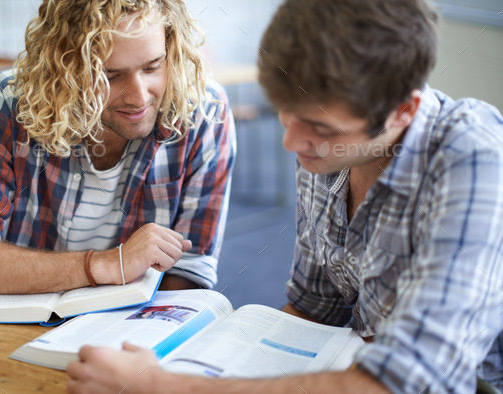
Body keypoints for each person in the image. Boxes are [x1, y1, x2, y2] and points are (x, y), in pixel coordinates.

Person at [65, 0, 503, 393]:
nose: (292, 143)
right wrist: (211, 361)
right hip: (363, 361)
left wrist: (166, 386)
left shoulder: (474, 154)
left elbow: (413, 381)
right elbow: (316, 308)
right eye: (287, 115)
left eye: (322, 128)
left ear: (403, 110)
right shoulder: (321, 147)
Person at [0, 0, 235, 295]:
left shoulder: (204, 113)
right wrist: (104, 265)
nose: (139, 97)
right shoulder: (12, 101)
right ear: (67, 69)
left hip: (133, 337)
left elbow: (190, 274)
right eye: (110, 76)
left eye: (153, 67)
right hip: (20, 330)